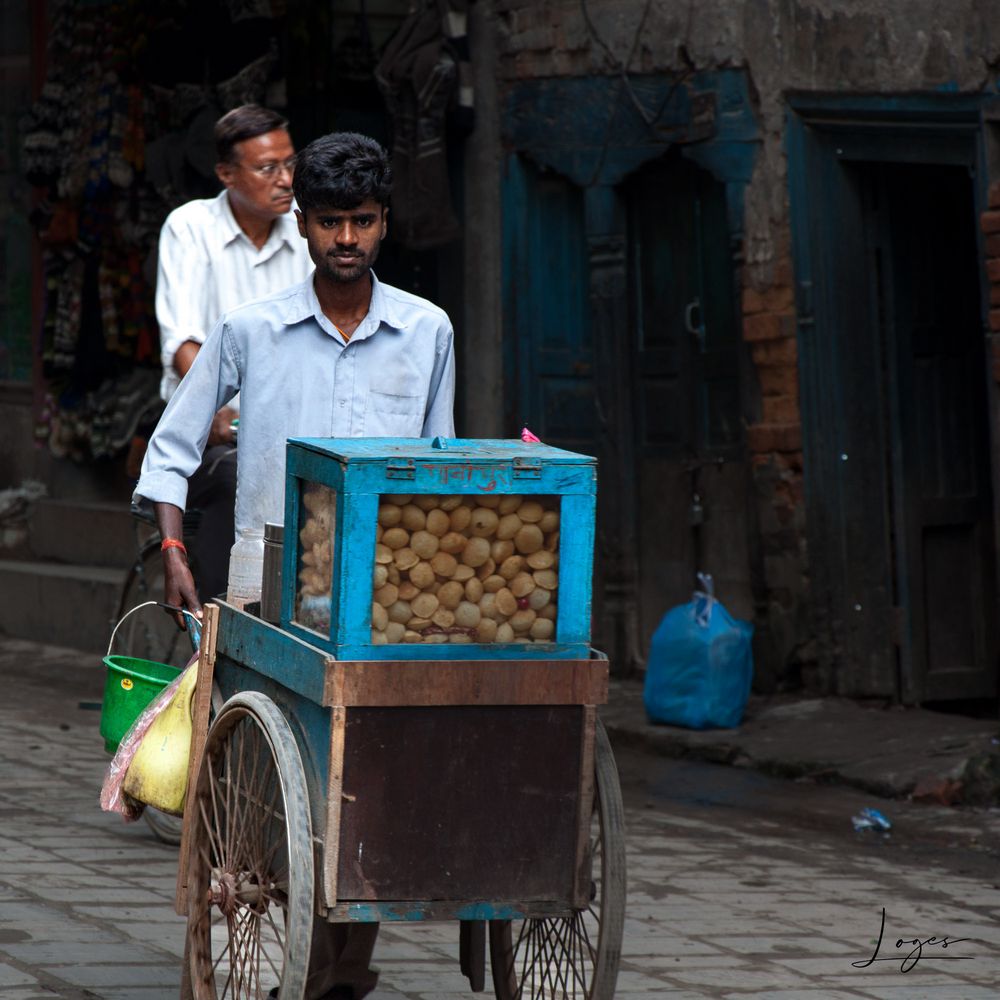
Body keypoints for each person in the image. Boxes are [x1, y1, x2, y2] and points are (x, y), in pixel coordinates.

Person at [135, 131, 456, 999]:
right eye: (328, 222)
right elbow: (172, 449)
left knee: (375, 778)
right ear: (303, 227)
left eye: (361, 220)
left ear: (383, 223)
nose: (345, 239)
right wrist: (172, 548)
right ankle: (307, 946)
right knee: (277, 791)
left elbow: (436, 471)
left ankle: (345, 961)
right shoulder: (252, 332)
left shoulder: (427, 332)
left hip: (383, 599)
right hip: (265, 587)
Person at [153, 104, 313, 598]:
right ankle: (223, 616)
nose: (286, 179)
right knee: (235, 480)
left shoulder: (306, 231)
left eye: (291, 164)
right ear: (226, 174)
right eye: (268, 168)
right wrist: (213, 408)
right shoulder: (190, 227)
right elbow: (182, 340)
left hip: (291, 430)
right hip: (214, 433)